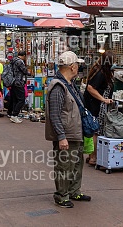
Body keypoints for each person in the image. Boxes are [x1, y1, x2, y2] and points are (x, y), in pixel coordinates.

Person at [46, 51, 90, 208]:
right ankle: (61, 195)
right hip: (67, 134)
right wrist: (61, 136)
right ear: (72, 67)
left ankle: (73, 191)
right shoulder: (58, 87)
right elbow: (54, 114)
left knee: (76, 164)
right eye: (77, 65)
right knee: (64, 165)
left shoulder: (71, 84)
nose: (78, 68)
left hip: (76, 132)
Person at [83, 51, 115, 165]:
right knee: (95, 131)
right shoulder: (101, 73)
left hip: (96, 105)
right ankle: (93, 157)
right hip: (95, 106)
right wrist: (103, 99)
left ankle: (92, 155)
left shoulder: (101, 70)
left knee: (93, 130)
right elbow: (90, 88)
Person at [10, 51, 31, 124]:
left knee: (15, 99)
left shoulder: (13, 60)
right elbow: (24, 71)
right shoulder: (20, 62)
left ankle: (14, 115)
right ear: (24, 55)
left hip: (13, 82)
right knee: (21, 99)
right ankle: (14, 115)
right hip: (19, 82)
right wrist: (29, 72)